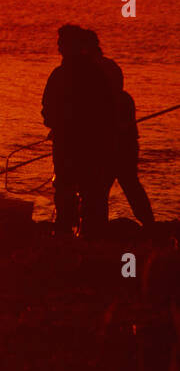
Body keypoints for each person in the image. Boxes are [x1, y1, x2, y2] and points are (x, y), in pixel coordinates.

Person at [41, 25, 116, 237]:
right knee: (90, 189)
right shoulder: (95, 74)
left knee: (67, 187)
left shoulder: (61, 75)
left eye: (61, 43)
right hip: (89, 142)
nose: (58, 47)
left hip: (70, 143)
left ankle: (66, 230)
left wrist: (56, 125)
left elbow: (47, 109)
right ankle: (89, 233)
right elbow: (107, 110)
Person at [84, 30, 154, 228]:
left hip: (116, 145)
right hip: (116, 144)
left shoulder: (101, 74)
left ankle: (98, 229)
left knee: (109, 187)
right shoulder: (117, 87)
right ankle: (148, 224)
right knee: (113, 187)